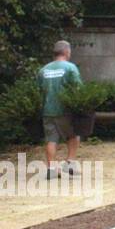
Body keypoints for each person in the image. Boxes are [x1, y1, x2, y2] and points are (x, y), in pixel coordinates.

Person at [38, 40, 82, 178]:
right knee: (73, 135)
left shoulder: (43, 70)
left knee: (51, 139)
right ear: (67, 52)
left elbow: (40, 90)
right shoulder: (70, 68)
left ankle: (51, 169)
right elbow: (78, 88)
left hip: (48, 110)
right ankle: (70, 165)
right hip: (66, 110)